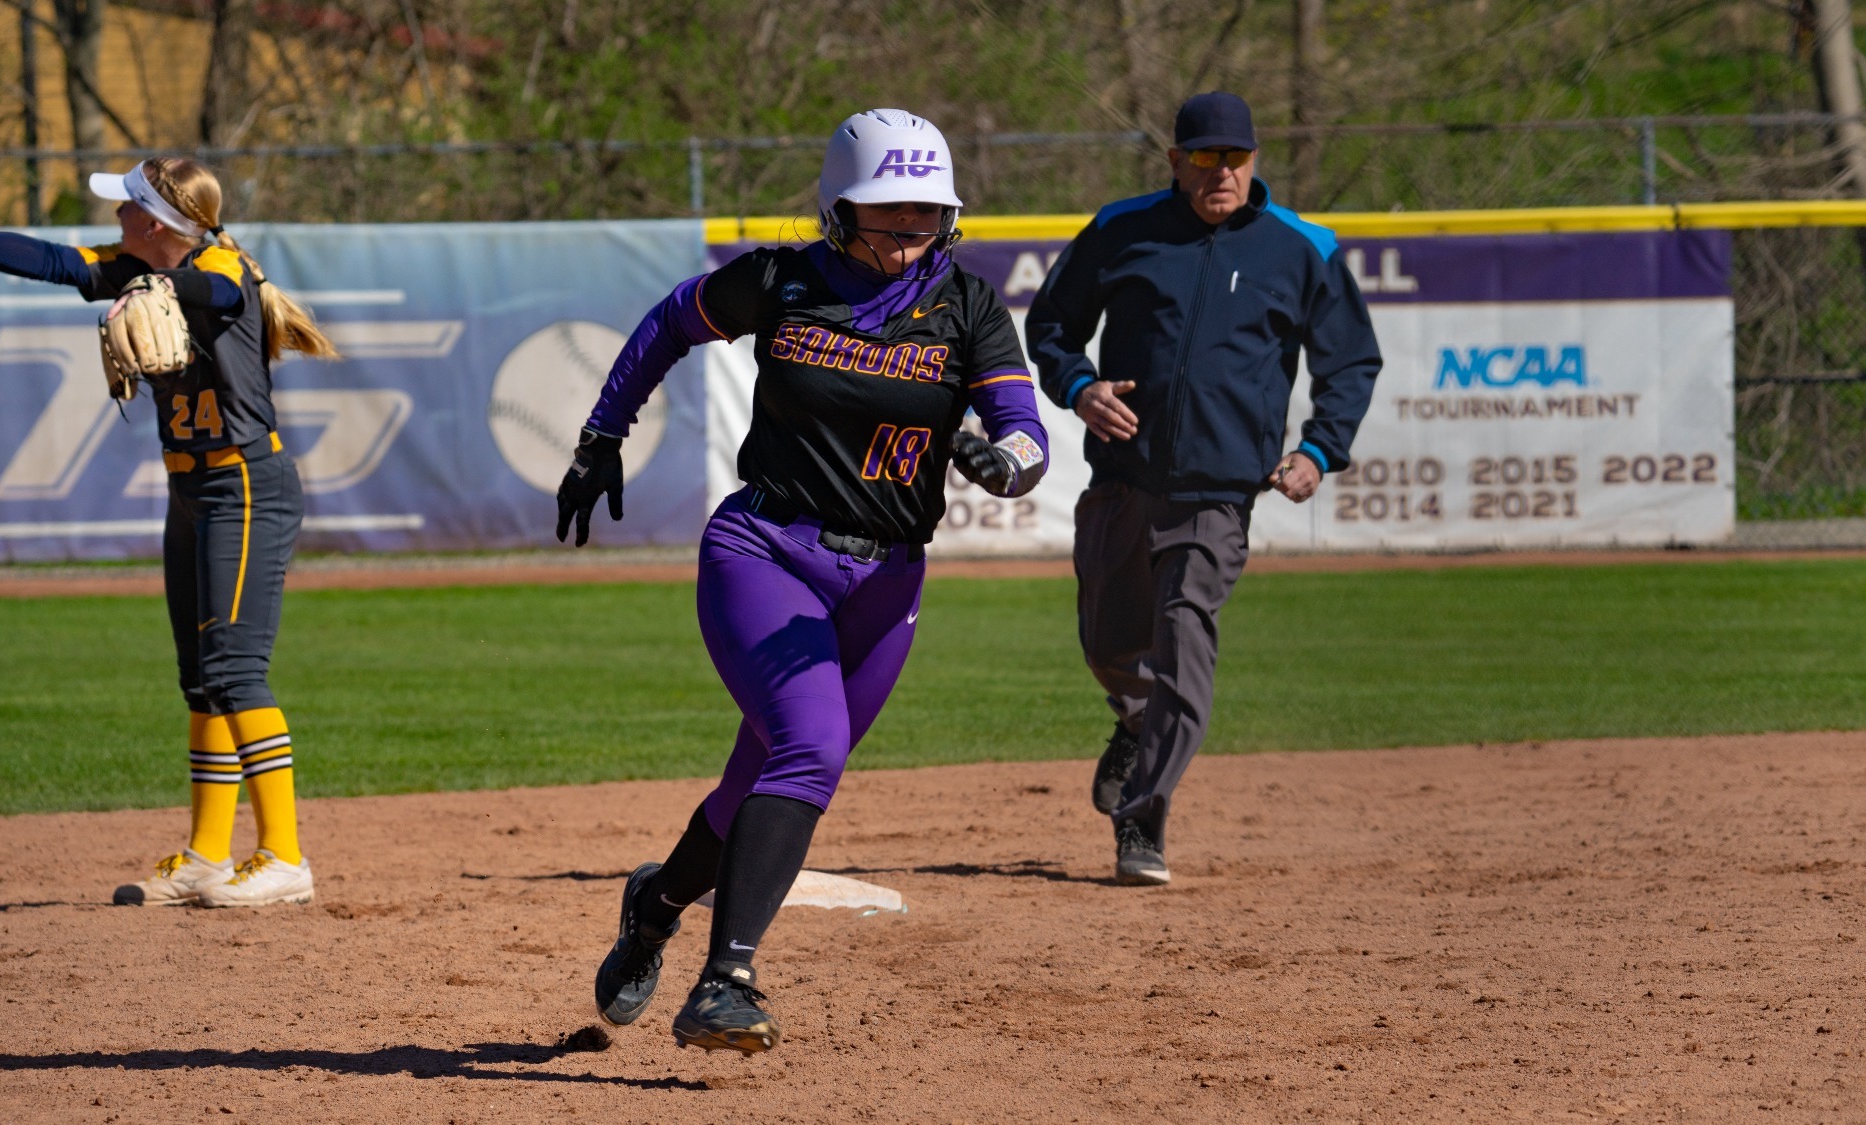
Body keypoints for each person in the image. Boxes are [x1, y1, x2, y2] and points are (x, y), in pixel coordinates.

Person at [555, 108, 1050, 1055]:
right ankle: (726, 980)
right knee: (811, 749)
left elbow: (1023, 429)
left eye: (927, 212)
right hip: (766, 549)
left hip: (886, 583)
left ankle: (654, 908)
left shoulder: (968, 305)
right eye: (887, 210)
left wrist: (1009, 462)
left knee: (763, 778)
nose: (909, 230)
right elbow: (670, 322)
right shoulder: (782, 281)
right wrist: (602, 435)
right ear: (838, 208)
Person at [0, 157, 339, 908]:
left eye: (127, 206)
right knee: (201, 678)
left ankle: (285, 857)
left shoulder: (218, 267)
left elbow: (221, 289)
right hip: (190, 487)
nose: (117, 215)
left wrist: (163, 286)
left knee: (235, 671)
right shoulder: (142, 265)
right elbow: (54, 261)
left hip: (247, 486)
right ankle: (207, 855)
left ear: (157, 223)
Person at [1025, 91, 1381, 886]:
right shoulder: (1122, 228)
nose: (1221, 171)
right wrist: (1079, 386)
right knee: (1108, 643)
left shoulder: (1303, 247)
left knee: (1185, 643)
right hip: (1123, 479)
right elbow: (1050, 324)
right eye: (1205, 156)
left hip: (1220, 494)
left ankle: (1143, 817)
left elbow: (1351, 360)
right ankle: (1135, 722)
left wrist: (1319, 449)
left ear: (1255, 160)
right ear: (1176, 160)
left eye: (1235, 157)